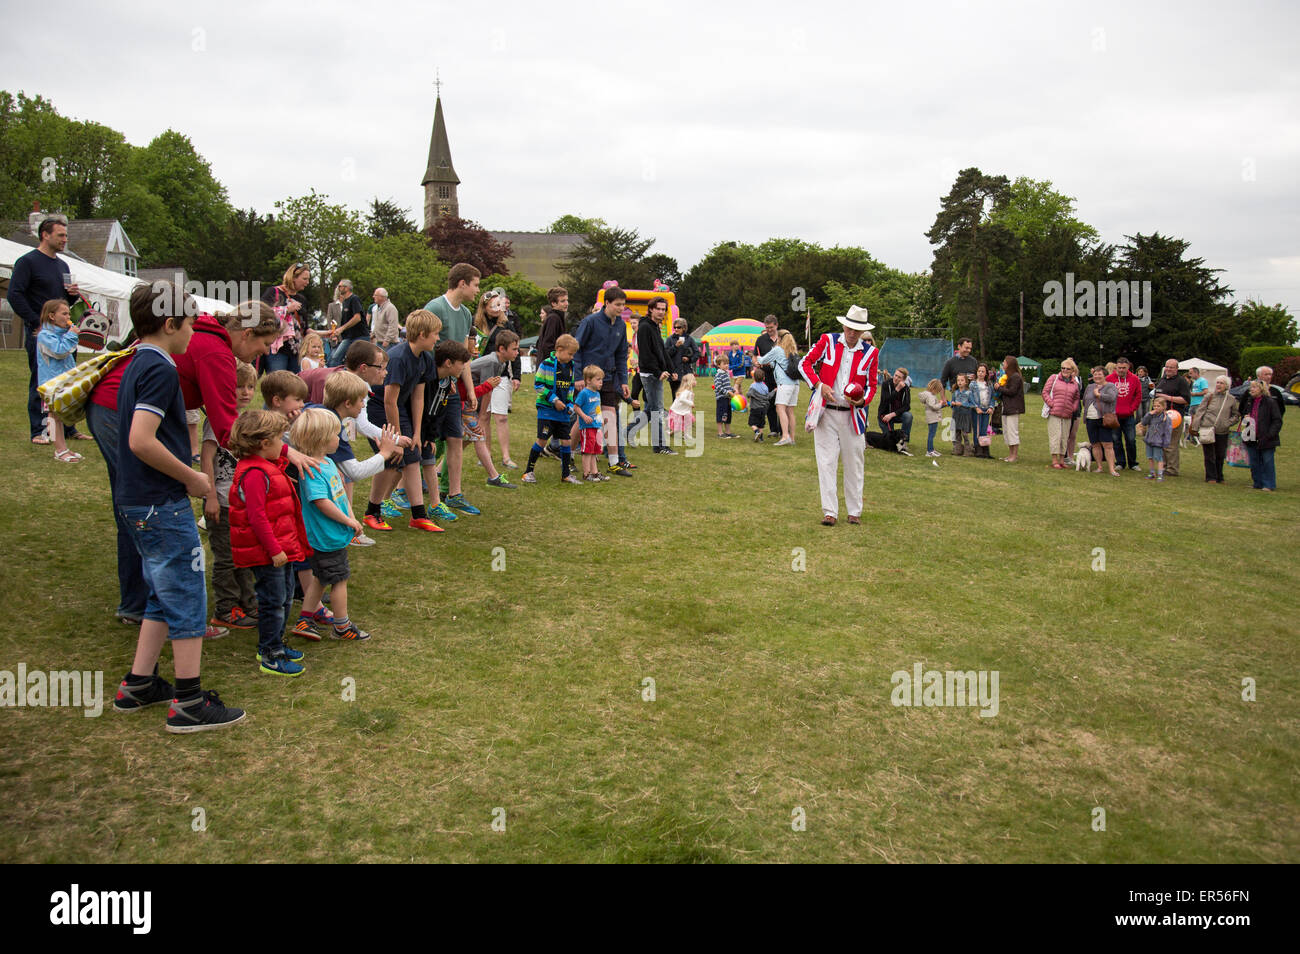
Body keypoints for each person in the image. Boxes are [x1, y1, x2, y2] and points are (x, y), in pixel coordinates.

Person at [88, 296, 282, 629]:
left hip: (119, 408)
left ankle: (145, 605)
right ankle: (163, 607)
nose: (265, 353)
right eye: (264, 344)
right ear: (248, 333)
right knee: (149, 510)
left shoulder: (206, 340)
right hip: (119, 411)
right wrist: (279, 457)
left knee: (140, 510)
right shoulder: (216, 352)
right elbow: (228, 429)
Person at [109, 282, 245, 732]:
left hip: (136, 500)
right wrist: (192, 478)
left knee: (159, 593)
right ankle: (189, 701)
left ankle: (139, 682)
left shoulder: (136, 360)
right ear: (170, 324)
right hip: (159, 503)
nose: (194, 333)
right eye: (190, 324)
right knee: (187, 593)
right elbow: (141, 440)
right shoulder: (161, 369)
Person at [226, 409, 309, 675]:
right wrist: (274, 550)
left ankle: (276, 645)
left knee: (283, 598)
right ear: (264, 444)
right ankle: (270, 654)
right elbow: (256, 516)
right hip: (268, 553)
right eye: (279, 438)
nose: (283, 444)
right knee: (273, 601)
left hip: (280, 549)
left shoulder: (266, 467)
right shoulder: (253, 474)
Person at [291, 408, 369, 641]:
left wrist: (351, 516)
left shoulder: (326, 463)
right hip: (326, 536)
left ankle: (305, 618)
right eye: (337, 434)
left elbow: (340, 496)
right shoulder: (314, 469)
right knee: (339, 579)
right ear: (322, 439)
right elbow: (321, 502)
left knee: (321, 577)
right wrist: (347, 520)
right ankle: (342, 626)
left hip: (330, 534)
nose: (340, 438)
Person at [6, 218, 86, 444]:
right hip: (41, 334)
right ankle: (39, 431)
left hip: (65, 334)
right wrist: (36, 322)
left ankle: (69, 428)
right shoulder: (28, 262)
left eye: (65, 236)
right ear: (45, 235)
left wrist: (72, 295)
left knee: (68, 380)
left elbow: (63, 302)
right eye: (60, 235)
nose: (65, 240)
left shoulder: (62, 265)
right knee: (43, 382)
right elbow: (14, 294)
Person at [798, 304, 878, 526]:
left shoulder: (871, 353)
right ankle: (830, 512)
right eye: (849, 328)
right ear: (844, 325)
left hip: (853, 416)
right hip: (826, 413)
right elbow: (804, 363)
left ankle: (854, 511)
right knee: (826, 462)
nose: (851, 333)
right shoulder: (828, 341)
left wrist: (862, 401)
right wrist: (818, 384)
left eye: (856, 330)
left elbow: (872, 385)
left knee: (854, 463)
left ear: (863, 332)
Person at [362, 311, 440, 533]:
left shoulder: (425, 359)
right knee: (393, 457)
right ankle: (371, 512)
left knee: (412, 455)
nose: (437, 338)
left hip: (399, 408)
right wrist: (395, 439)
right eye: (435, 334)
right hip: (379, 408)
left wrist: (416, 433)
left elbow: (417, 397)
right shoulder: (398, 358)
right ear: (422, 334)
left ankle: (418, 516)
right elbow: (388, 400)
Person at [202, 360, 259, 630]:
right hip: (222, 503)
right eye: (239, 387)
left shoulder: (246, 420)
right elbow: (207, 459)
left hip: (243, 504)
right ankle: (226, 608)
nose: (245, 392)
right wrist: (210, 495)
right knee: (226, 558)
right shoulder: (217, 419)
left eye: (250, 386)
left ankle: (249, 602)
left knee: (245, 555)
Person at [423, 264, 481, 509]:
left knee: (456, 438)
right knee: (426, 438)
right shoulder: (435, 308)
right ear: (462, 283)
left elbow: (464, 357)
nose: (478, 290)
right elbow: (424, 349)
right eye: (476, 284)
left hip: (454, 388)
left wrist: (469, 389)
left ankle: (454, 494)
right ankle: (403, 490)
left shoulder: (466, 314)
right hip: (432, 387)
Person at [574, 287, 633, 476]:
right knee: (582, 420)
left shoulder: (621, 326)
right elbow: (577, 349)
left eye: (623, 305)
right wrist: (578, 378)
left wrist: (623, 381)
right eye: (617, 305)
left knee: (609, 417)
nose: (621, 308)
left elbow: (621, 355)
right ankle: (565, 455)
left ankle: (614, 462)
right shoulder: (590, 322)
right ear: (607, 303)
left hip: (608, 378)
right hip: (587, 379)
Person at [468, 330, 521, 488]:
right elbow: (486, 389)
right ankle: (493, 476)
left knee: (468, 437)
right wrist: (481, 414)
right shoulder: (492, 362)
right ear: (501, 349)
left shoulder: (502, 362)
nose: (517, 352)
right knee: (469, 435)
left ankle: (493, 476)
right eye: (514, 349)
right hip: (464, 396)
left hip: (473, 396)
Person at [524, 334, 579, 483]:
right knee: (542, 441)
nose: (572, 357)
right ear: (559, 350)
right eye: (570, 354)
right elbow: (538, 385)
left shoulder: (571, 367)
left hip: (563, 413)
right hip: (547, 410)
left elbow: (571, 387)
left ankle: (566, 474)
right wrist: (554, 400)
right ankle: (528, 472)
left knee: (566, 442)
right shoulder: (546, 364)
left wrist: (569, 404)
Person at [35, 300, 83, 463]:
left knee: (59, 415)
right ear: (51, 316)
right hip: (51, 384)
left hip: (63, 382)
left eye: (69, 313)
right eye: (64, 313)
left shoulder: (63, 333)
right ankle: (60, 450)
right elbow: (59, 351)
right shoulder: (45, 335)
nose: (68, 317)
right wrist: (71, 335)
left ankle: (63, 448)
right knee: (53, 415)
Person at [634, 295, 675, 454]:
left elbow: (661, 351)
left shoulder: (655, 326)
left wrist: (672, 371)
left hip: (657, 373)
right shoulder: (644, 327)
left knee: (650, 410)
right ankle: (660, 446)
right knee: (657, 410)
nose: (660, 312)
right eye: (657, 309)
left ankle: (623, 435)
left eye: (663, 309)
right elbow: (646, 355)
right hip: (649, 374)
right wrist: (658, 372)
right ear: (651, 309)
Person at [262, 263, 311, 373]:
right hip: (277, 350)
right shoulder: (273, 292)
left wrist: (324, 333)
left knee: (294, 386)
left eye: (308, 279)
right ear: (293, 277)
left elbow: (304, 328)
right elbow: (262, 313)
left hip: (296, 351)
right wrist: (287, 309)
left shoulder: (302, 299)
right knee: (277, 384)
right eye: (304, 279)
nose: (307, 282)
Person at [1191, 375, 1240, 483]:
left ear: (1226, 385)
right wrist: (1195, 427)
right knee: (1209, 455)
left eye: (1221, 383)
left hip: (1222, 431)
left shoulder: (1231, 399)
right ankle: (1210, 476)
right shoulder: (1209, 396)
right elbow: (1200, 412)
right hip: (1207, 429)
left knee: (1220, 455)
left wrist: (1227, 423)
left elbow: (1236, 415)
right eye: (1217, 382)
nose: (1218, 385)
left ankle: (1219, 476)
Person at [757, 329, 801, 445]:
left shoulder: (778, 349)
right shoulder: (793, 351)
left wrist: (756, 358)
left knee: (780, 408)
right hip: (795, 384)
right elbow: (777, 363)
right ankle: (792, 438)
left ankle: (785, 436)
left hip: (784, 383)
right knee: (790, 411)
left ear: (780, 339)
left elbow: (763, 360)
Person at [1240, 379, 1282, 491]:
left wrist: (1270, 434)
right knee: (1254, 462)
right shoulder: (1250, 401)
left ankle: (1269, 484)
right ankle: (1257, 483)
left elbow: (1277, 420)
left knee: (1267, 461)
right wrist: (1245, 417)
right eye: (1251, 387)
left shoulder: (1270, 402)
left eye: (1254, 387)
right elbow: (1243, 413)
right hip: (1251, 435)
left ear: (1261, 389)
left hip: (1266, 437)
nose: (1251, 389)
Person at [1153, 359, 1191, 476]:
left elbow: (1186, 400)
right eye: (1167, 367)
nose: (1168, 369)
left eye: (1171, 367)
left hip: (1174, 416)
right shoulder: (1163, 379)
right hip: (1160, 416)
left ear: (1176, 369)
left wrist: (1167, 397)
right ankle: (1164, 466)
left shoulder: (1181, 381)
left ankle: (1172, 469)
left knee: (1171, 444)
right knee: (1161, 442)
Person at [1042, 359, 1082, 469]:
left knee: (1065, 437)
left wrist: (1073, 408)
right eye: (1063, 368)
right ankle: (1054, 460)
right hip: (1054, 412)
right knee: (1055, 436)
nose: (1064, 370)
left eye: (1067, 368)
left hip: (1067, 414)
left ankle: (1062, 460)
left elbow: (1077, 398)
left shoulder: (1075, 383)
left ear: (1072, 370)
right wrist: (1051, 404)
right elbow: (1045, 392)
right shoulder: (1053, 378)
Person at [1082, 366, 1121, 476]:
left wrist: (1099, 395)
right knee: (1095, 444)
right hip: (1090, 418)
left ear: (1105, 375)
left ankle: (1112, 469)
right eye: (1095, 374)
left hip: (1104, 419)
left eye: (1099, 374)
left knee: (1107, 444)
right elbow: (1084, 400)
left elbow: (1112, 398)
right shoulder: (1089, 387)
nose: (1097, 376)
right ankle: (1099, 466)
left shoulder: (1110, 386)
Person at [1107, 357, 1143, 470]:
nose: (1121, 370)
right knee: (1116, 439)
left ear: (1128, 367)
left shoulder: (1135, 379)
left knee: (1131, 439)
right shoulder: (1109, 379)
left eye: (1124, 368)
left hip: (1128, 415)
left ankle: (1133, 463)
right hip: (1114, 415)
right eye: (1119, 368)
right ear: (1116, 367)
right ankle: (1120, 462)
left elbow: (1138, 396)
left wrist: (1131, 409)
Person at [753, 315, 783, 437]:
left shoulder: (783, 339)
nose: (769, 329)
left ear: (776, 325)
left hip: (781, 376)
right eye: (767, 327)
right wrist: (755, 362)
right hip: (767, 376)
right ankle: (774, 429)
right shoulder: (760, 340)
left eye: (771, 327)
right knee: (769, 403)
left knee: (782, 404)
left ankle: (783, 430)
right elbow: (755, 355)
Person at [328, 279, 368, 367]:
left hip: (359, 336)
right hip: (348, 337)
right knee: (335, 358)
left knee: (358, 361)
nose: (338, 288)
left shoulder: (354, 299)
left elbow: (357, 318)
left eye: (340, 286)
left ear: (347, 288)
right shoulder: (345, 301)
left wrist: (342, 328)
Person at [576, 365, 606, 482]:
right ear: (588, 380)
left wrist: (601, 418)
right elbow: (576, 407)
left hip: (596, 426)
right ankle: (586, 473)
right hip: (587, 427)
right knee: (587, 451)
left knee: (594, 451)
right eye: (598, 380)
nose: (601, 382)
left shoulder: (597, 394)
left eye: (601, 380)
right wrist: (584, 416)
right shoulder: (584, 393)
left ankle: (595, 473)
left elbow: (597, 408)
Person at [877, 366, 914, 450]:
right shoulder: (886, 384)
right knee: (889, 441)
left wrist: (893, 414)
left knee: (908, 416)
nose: (896, 378)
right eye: (895, 375)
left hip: (896, 415)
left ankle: (904, 442)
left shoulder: (906, 389)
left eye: (899, 377)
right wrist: (897, 389)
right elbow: (885, 402)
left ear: (903, 380)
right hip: (884, 415)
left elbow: (907, 406)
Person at [995, 356, 1024, 462]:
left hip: (1013, 407)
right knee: (1007, 432)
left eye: (1005, 362)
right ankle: (1010, 454)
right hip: (1006, 407)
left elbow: (1012, 391)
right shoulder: (1007, 376)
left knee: (1012, 432)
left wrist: (1000, 388)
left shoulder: (1015, 377)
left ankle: (1014, 455)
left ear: (1009, 364)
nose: (1003, 363)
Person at [1138, 396, 1173, 480]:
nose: (1156, 408)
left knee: (1159, 458)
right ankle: (1152, 473)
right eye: (1155, 406)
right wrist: (1149, 414)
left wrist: (1166, 442)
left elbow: (1168, 431)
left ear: (1164, 407)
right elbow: (1143, 422)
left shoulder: (1166, 419)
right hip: (1149, 440)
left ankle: (1160, 474)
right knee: (1150, 457)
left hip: (1158, 441)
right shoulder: (1151, 416)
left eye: (1158, 406)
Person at [665, 317, 698, 400]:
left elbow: (697, 353)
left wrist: (689, 359)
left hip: (686, 372)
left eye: (678, 327)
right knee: (676, 398)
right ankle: (675, 413)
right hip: (674, 372)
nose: (676, 329)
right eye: (674, 327)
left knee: (687, 397)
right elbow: (666, 354)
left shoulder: (689, 339)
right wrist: (675, 346)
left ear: (684, 328)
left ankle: (686, 413)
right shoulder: (670, 339)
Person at [920, 379, 947, 457]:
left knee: (932, 434)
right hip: (932, 418)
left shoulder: (929, 395)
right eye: (937, 391)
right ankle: (929, 451)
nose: (937, 393)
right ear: (933, 389)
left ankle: (931, 449)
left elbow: (933, 405)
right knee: (931, 435)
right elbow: (933, 407)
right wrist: (941, 403)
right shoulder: (930, 396)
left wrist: (941, 404)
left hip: (931, 417)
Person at [713, 353, 737, 438]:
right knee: (721, 415)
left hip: (728, 398)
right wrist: (728, 392)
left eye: (727, 363)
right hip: (721, 398)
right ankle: (720, 433)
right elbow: (718, 387)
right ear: (719, 365)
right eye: (724, 364)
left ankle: (728, 432)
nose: (727, 365)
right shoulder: (718, 375)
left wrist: (733, 390)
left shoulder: (726, 373)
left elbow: (727, 385)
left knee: (728, 415)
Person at [950, 373, 975, 455]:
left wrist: (963, 404)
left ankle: (968, 450)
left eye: (962, 380)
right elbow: (952, 404)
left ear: (966, 382)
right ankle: (958, 449)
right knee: (957, 433)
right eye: (958, 380)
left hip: (965, 415)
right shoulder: (955, 392)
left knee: (964, 434)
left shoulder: (969, 393)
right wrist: (952, 404)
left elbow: (972, 404)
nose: (960, 382)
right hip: (956, 415)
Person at [747, 367, 772, 442]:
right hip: (763, 409)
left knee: (752, 423)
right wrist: (774, 391)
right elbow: (768, 396)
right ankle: (761, 438)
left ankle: (757, 432)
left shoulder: (753, 386)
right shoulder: (765, 387)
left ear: (754, 377)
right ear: (764, 378)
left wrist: (748, 395)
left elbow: (749, 394)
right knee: (761, 424)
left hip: (755, 408)